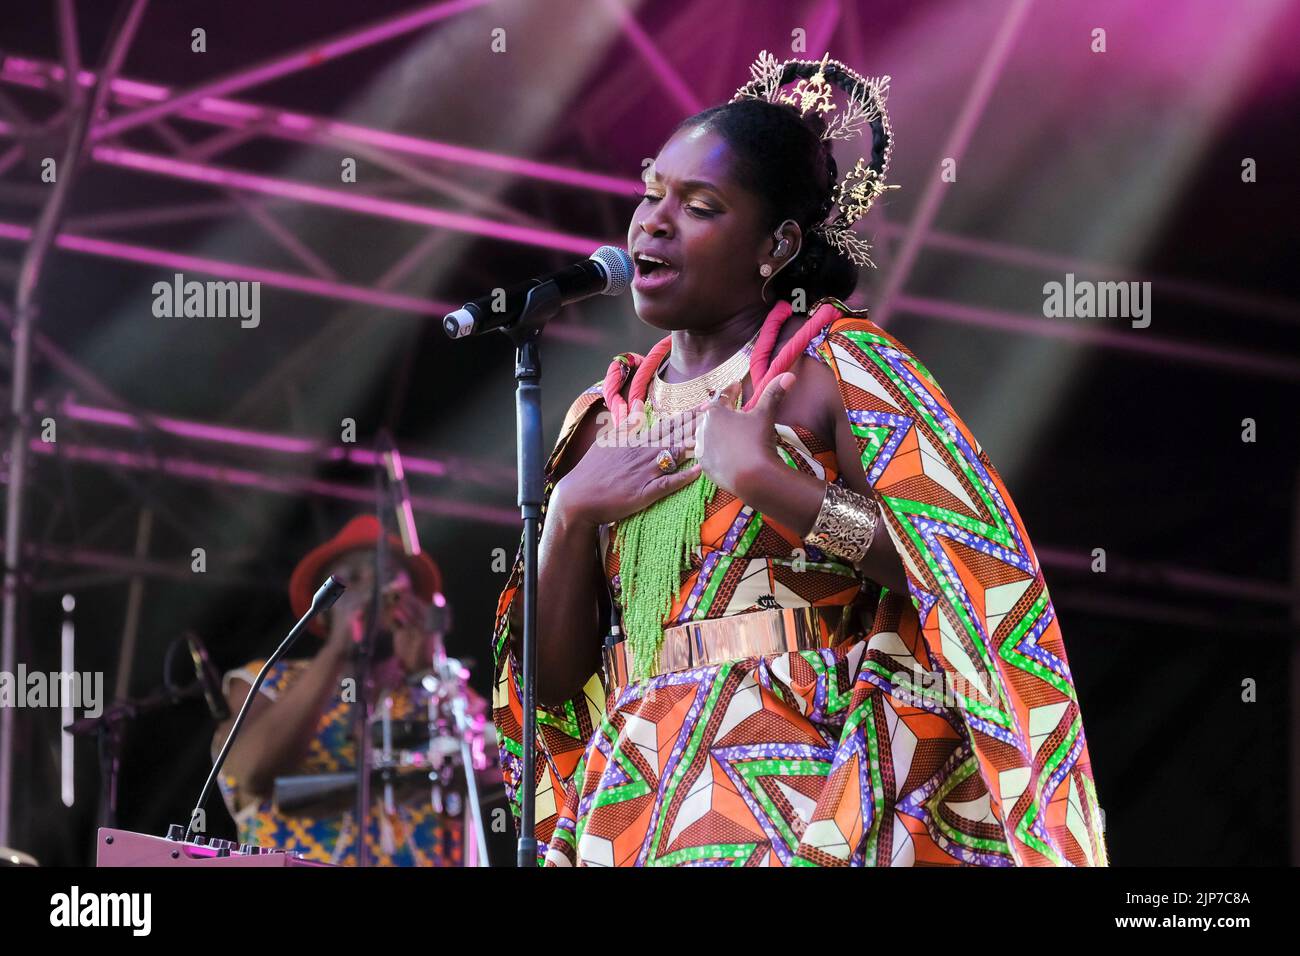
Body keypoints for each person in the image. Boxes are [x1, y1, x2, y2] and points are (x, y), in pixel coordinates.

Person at [491, 52, 1109, 867]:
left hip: (800, 785)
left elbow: (953, 567)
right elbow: (551, 687)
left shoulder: (834, 369)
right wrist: (567, 517)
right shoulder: (603, 417)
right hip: (636, 794)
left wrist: (774, 486)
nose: (653, 222)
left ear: (775, 243)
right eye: (651, 194)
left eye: (700, 205)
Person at [213, 515, 481, 866]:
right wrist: (338, 649)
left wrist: (429, 672)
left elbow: (497, 770)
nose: (370, 588)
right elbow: (250, 773)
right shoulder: (270, 681)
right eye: (351, 580)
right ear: (323, 613)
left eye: (385, 577)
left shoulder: (436, 693)